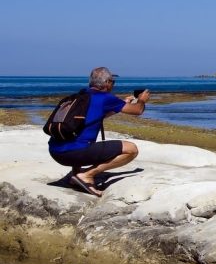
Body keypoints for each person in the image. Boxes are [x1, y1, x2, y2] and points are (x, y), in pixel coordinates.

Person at [48, 67, 150, 197]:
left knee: (80, 138)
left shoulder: (81, 95)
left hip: (56, 152)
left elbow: (97, 115)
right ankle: (86, 175)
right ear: (107, 82)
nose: (113, 85)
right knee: (132, 149)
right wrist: (142, 100)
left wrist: (122, 104)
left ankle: (75, 174)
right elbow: (137, 111)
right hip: (75, 153)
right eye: (113, 82)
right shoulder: (105, 98)